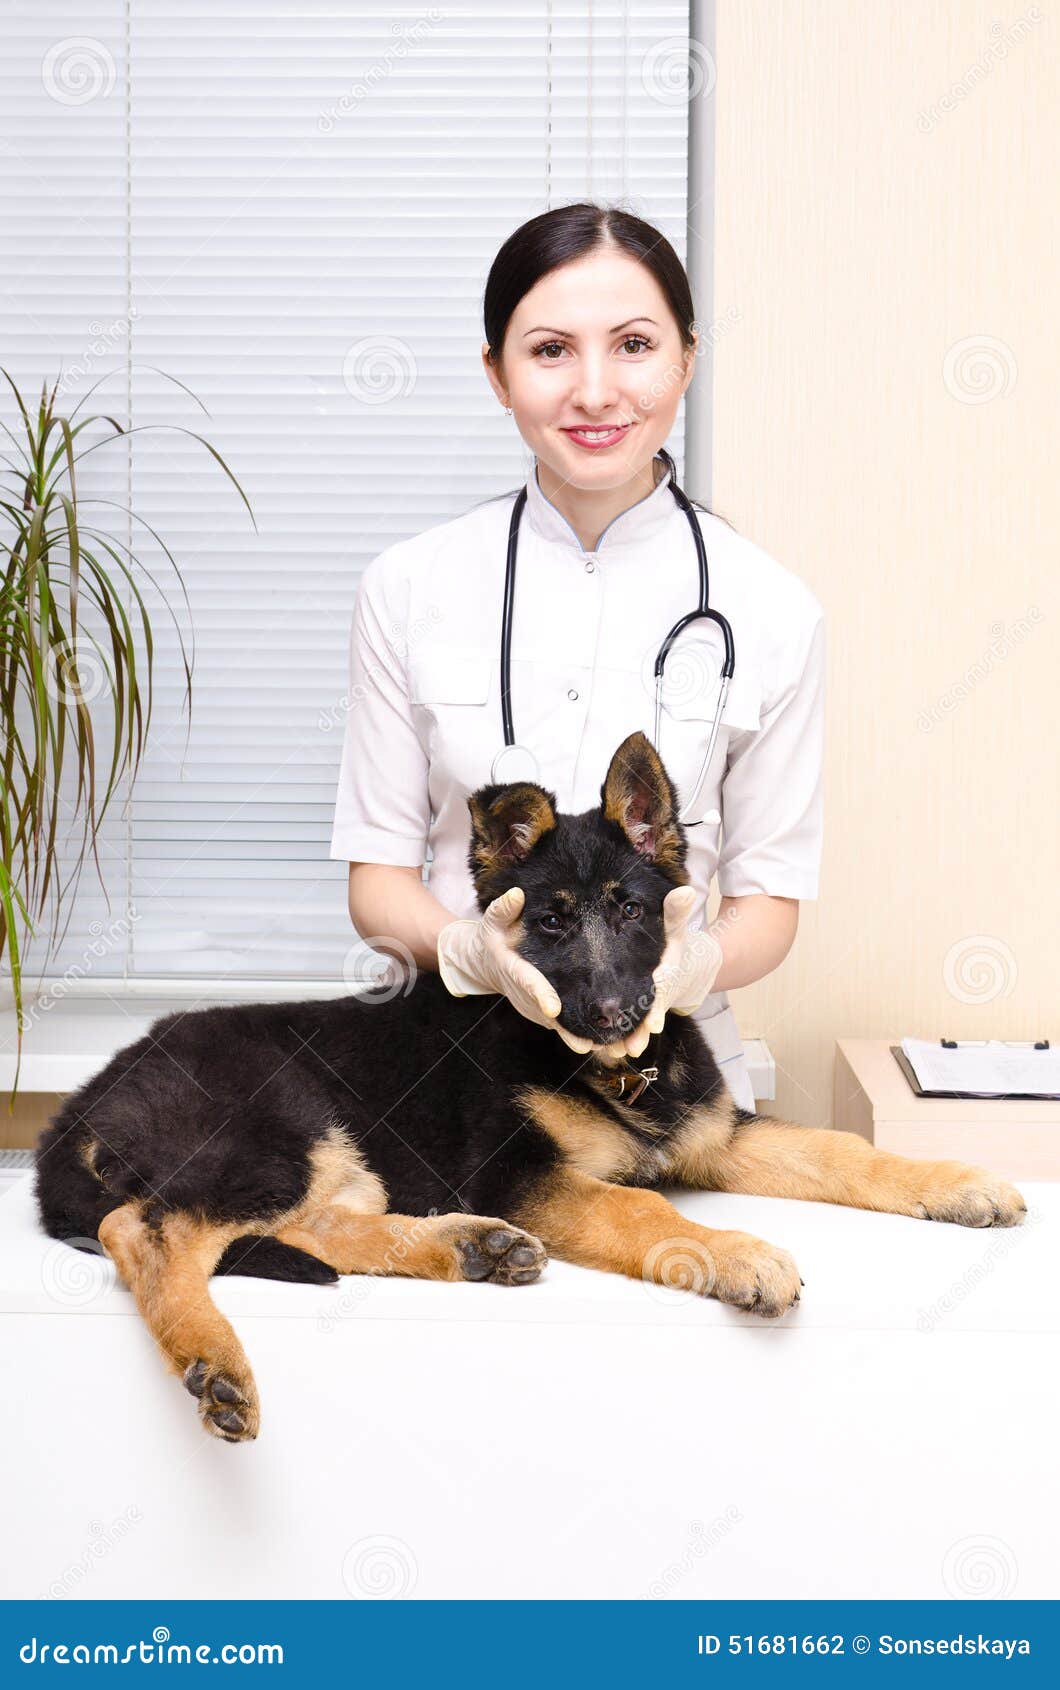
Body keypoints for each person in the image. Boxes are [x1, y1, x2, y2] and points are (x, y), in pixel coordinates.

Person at [328, 203, 825, 1110]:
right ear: (497, 373)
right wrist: (470, 952)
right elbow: (378, 882)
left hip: (671, 1080)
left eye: (634, 345)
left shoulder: (774, 607)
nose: (595, 393)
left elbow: (770, 901)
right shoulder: (407, 586)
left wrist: (690, 965)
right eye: (551, 350)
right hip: (455, 1070)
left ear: (687, 358)